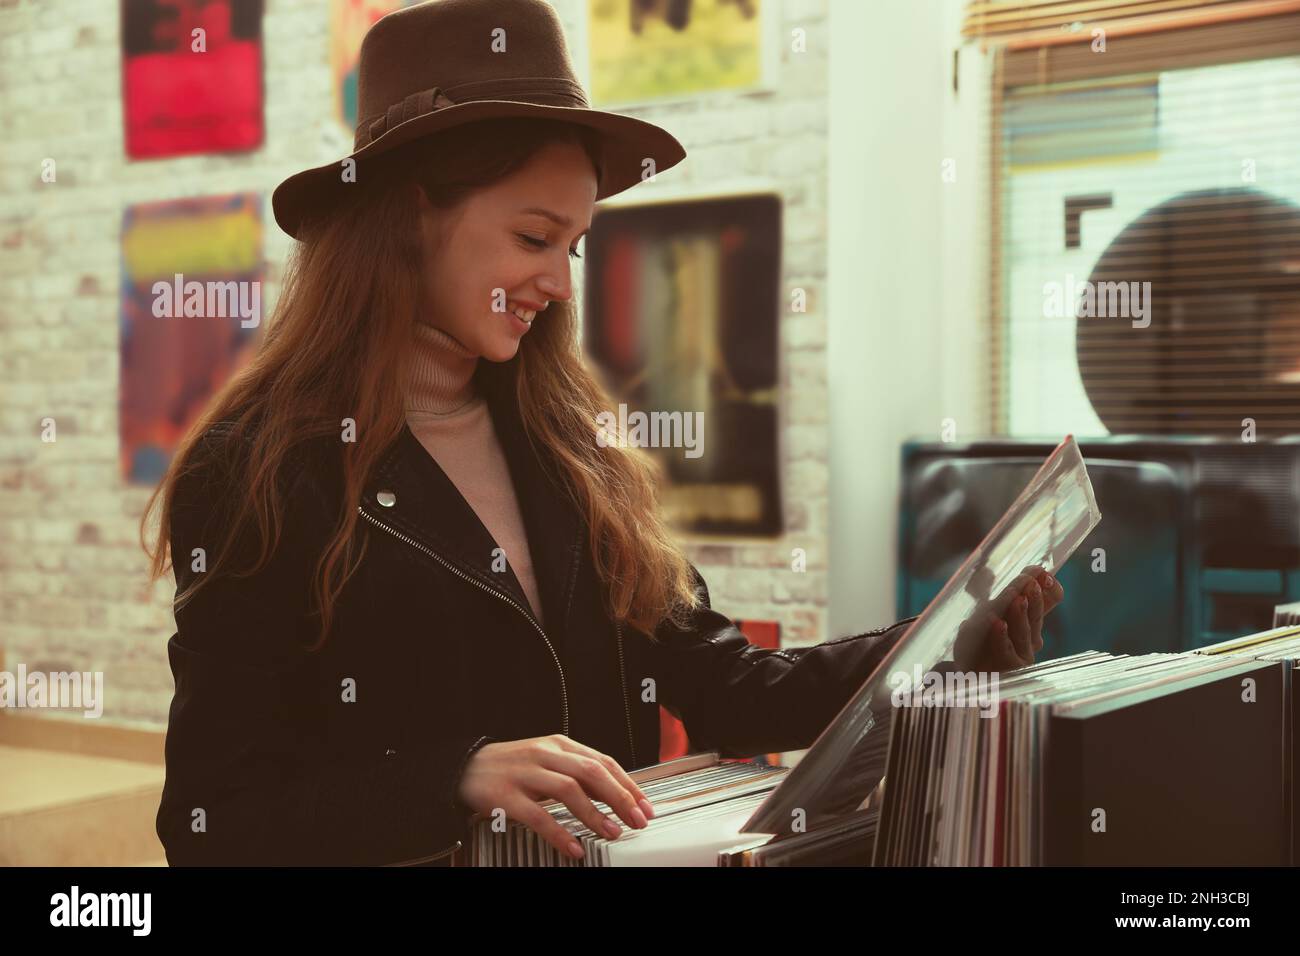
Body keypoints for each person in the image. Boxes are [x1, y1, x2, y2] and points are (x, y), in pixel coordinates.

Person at [142, 0, 1063, 866]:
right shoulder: (254, 471)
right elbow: (213, 821)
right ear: (410, 217)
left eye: (574, 245)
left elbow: (727, 689)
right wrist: (452, 778)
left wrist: (943, 650)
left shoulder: (568, 443)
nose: (562, 284)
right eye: (534, 238)